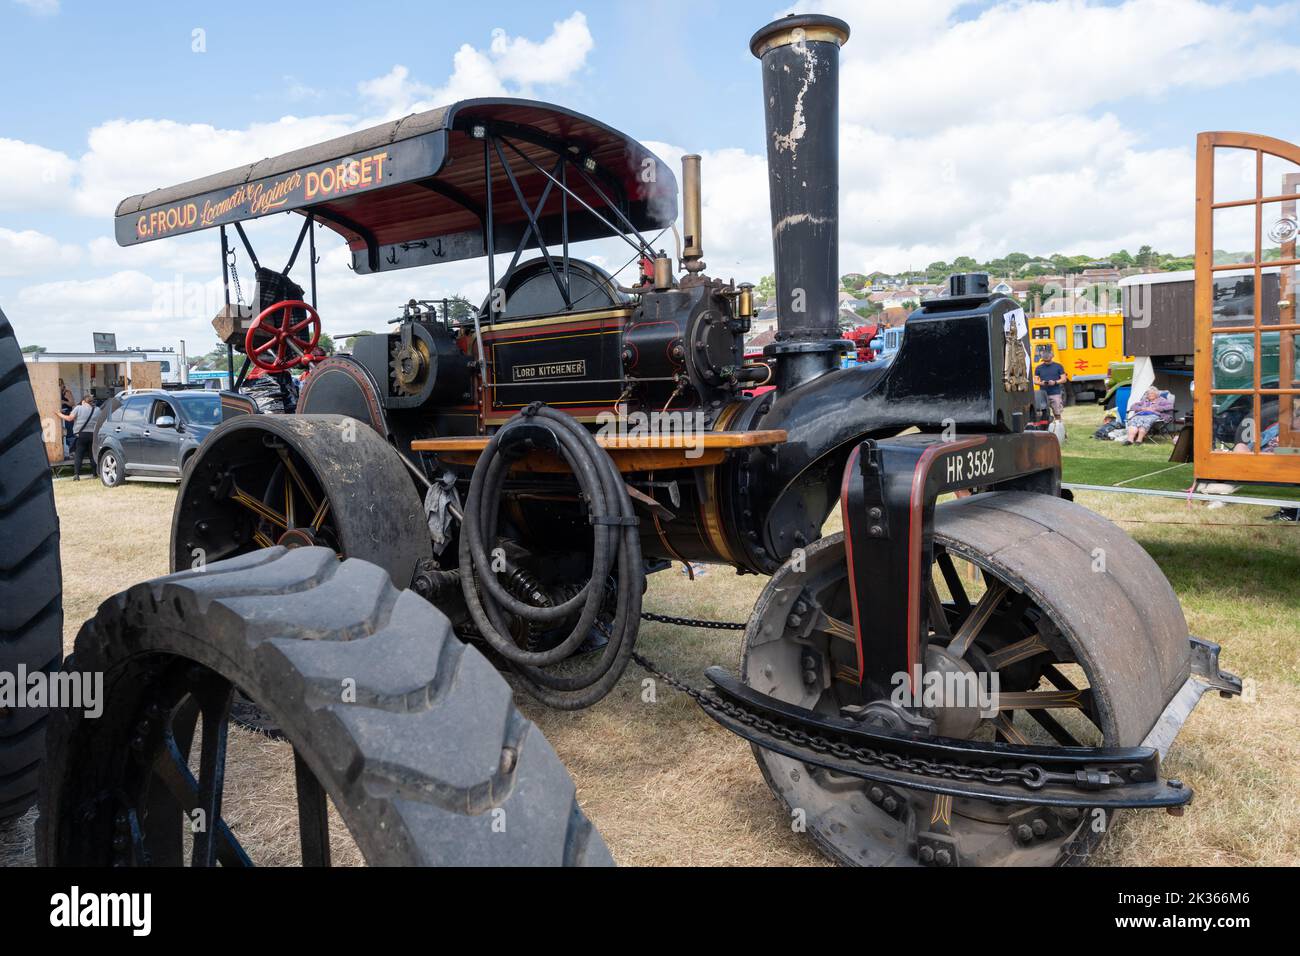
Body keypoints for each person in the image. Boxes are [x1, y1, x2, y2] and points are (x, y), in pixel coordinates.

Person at [58, 394, 99, 481]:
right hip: (93, 435)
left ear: (84, 401)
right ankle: (95, 474)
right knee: (92, 455)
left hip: (81, 435)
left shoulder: (79, 408)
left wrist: (59, 414)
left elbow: (69, 418)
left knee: (79, 455)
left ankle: (76, 475)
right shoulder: (98, 409)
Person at [1034, 348, 1067, 422]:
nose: (1046, 362)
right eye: (1045, 361)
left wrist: (1055, 382)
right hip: (1043, 393)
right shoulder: (1038, 368)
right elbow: (1035, 380)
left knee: (1057, 414)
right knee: (1041, 414)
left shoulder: (1058, 366)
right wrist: (1041, 383)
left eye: (1048, 360)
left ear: (1052, 357)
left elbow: (1064, 379)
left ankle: (1059, 429)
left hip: (1055, 393)